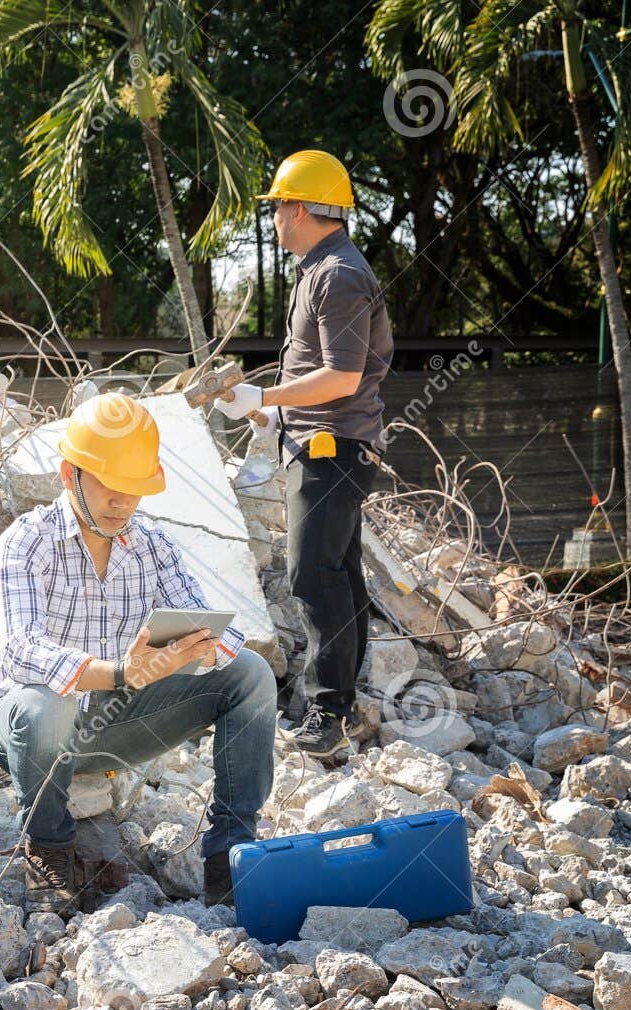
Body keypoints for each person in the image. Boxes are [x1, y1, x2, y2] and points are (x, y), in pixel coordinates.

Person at [0, 393, 277, 916]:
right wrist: (122, 673)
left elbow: (206, 623)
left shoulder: (151, 544)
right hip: (28, 731)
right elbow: (23, 651)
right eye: (110, 486)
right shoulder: (26, 543)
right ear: (70, 474)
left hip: (112, 726)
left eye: (134, 490)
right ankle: (48, 849)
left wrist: (192, 649)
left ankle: (230, 860)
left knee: (250, 673)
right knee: (51, 702)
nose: (122, 502)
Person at [210, 150, 392, 759]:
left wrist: (264, 393)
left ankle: (328, 713)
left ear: (299, 207)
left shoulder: (337, 275)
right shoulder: (322, 269)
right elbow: (321, 374)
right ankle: (343, 706)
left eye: (279, 207)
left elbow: (341, 377)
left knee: (311, 573)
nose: (276, 219)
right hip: (321, 441)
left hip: (331, 448)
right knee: (337, 573)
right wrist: (269, 409)